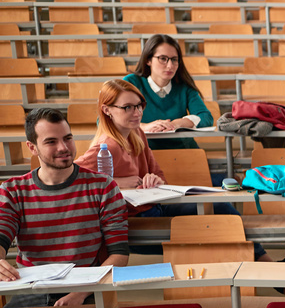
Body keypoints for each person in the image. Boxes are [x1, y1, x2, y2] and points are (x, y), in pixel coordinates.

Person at [0, 108, 130, 308]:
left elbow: (119, 254)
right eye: (51, 141)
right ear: (32, 148)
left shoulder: (103, 187)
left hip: (87, 284)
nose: (64, 148)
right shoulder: (14, 190)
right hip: (32, 286)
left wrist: (81, 291)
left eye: (68, 138)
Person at [77, 79, 271, 260]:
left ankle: (260, 265)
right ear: (107, 110)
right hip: (134, 220)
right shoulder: (106, 147)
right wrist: (116, 183)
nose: (136, 113)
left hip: (154, 206)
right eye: (127, 107)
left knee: (220, 211)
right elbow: (68, 176)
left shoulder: (136, 134)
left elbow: (160, 177)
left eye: (138, 106)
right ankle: (264, 265)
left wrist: (154, 180)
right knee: (217, 224)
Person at [123, 33, 213, 150]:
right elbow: (106, 119)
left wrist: (177, 124)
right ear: (148, 60)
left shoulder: (184, 86)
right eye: (163, 59)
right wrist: (143, 127)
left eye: (174, 60)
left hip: (184, 151)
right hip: (144, 152)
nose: (170, 66)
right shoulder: (132, 83)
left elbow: (206, 117)